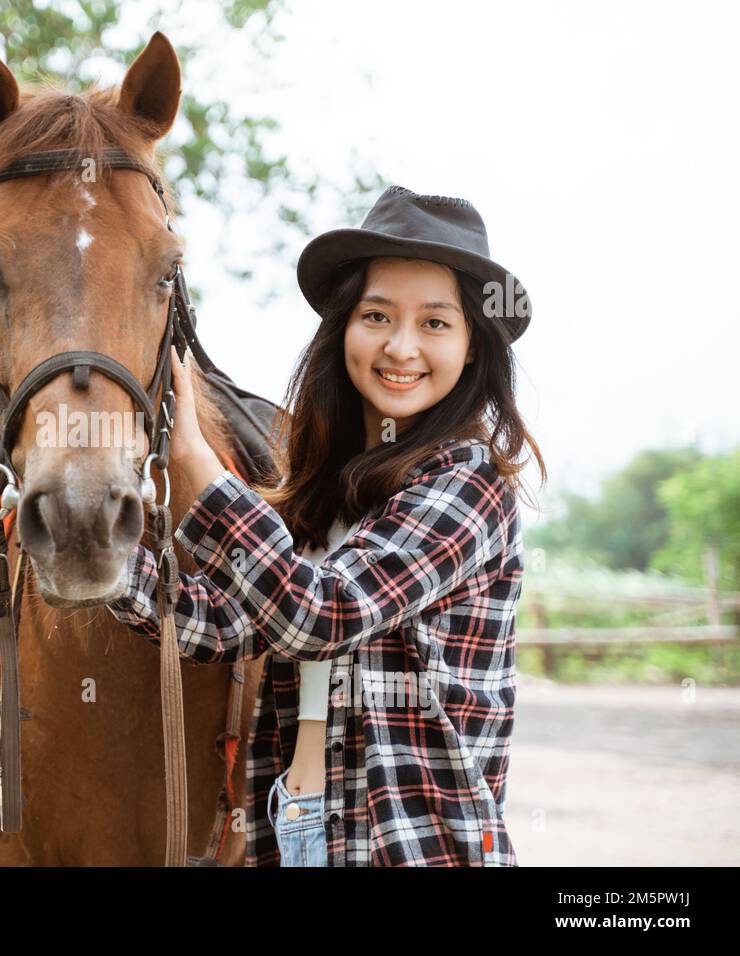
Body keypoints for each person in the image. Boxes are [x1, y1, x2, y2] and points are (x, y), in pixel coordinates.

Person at [108, 185, 546, 866]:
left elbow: (322, 613)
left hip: (411, 847)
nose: (401, 347)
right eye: (377, 315)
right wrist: (100, 555)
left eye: (435, 323)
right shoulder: (320, 493)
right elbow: (226, 624)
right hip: (295, 827)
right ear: (344, 328)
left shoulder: (468, 485)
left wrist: (195, 462)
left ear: (472, 346)